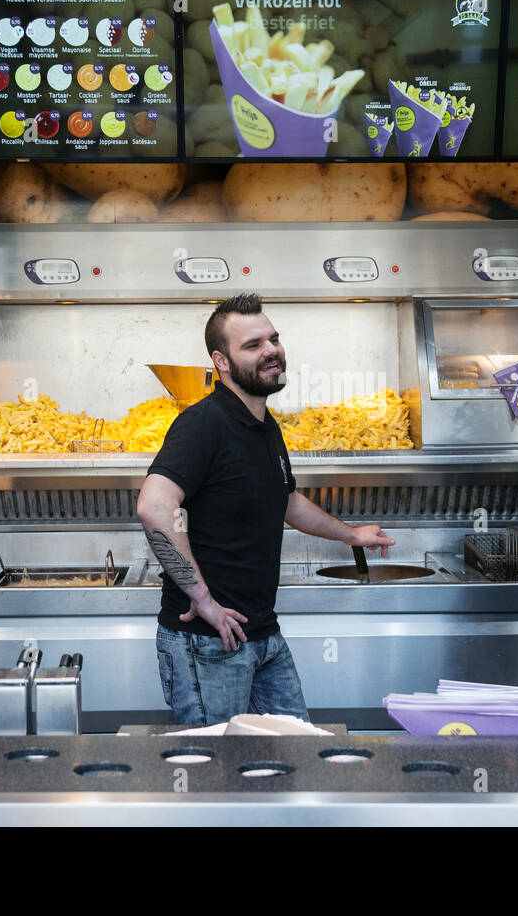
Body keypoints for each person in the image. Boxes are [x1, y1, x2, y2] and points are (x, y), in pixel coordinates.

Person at [137, 293, 395, 725]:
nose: (271, 350)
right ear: (221, 361)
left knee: (293, 761)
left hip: (262, 634)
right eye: (253, 345)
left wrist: (352, 535)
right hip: (208, 643)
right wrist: (202, 598)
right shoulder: (204, 423)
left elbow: (286, 499)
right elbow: (154, 505)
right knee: (217, 776)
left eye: (273, 339)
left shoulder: (264, 425)